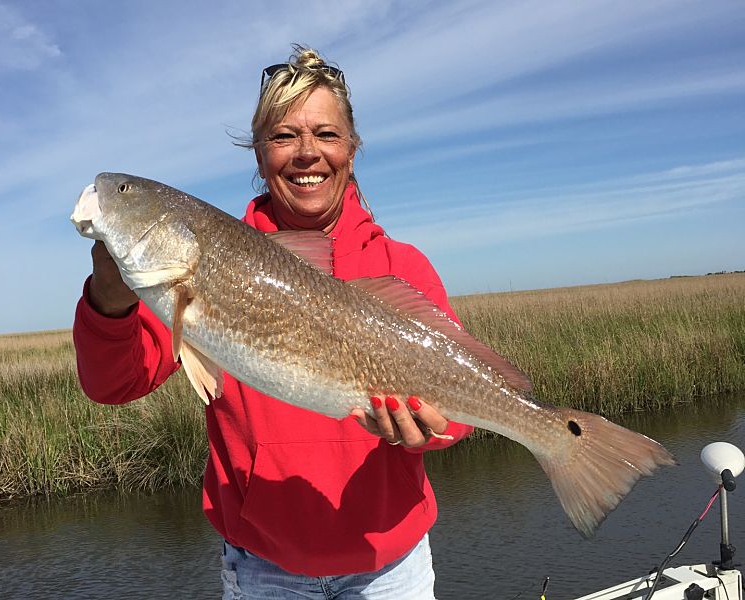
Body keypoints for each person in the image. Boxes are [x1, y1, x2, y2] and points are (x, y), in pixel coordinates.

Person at [73, 46, 473, 599]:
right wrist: (109, 292)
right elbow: (113, 383)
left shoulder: (401, 269)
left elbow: (463, 417)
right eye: (284, 136)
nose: (307, 153)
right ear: (259, 155)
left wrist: (429, 432)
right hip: (264, 570)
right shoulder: (198, 267)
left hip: (391, 570)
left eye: (327, 135)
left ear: (352, 152)